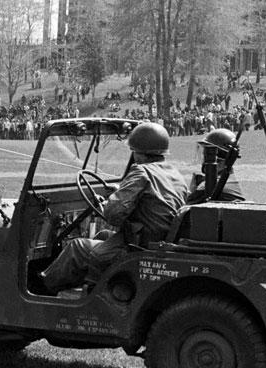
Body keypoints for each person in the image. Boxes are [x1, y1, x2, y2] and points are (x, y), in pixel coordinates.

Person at [41, 122, 188, 294]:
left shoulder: (142, 172)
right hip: (158, 240)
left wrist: (108, 203)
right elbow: (154, 201)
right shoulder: (174, 174)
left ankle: (43, 289)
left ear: (138, 152)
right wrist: (120, 192)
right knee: (103, 235)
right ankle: (85, 287)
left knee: (77, 246)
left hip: (140, 246)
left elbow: (113, 214)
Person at [187, 128, 246, 203]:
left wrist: (191, 192)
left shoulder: (205, 189)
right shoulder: (232, 182)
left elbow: (186, 207)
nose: (204, 157)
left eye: (206, 153)